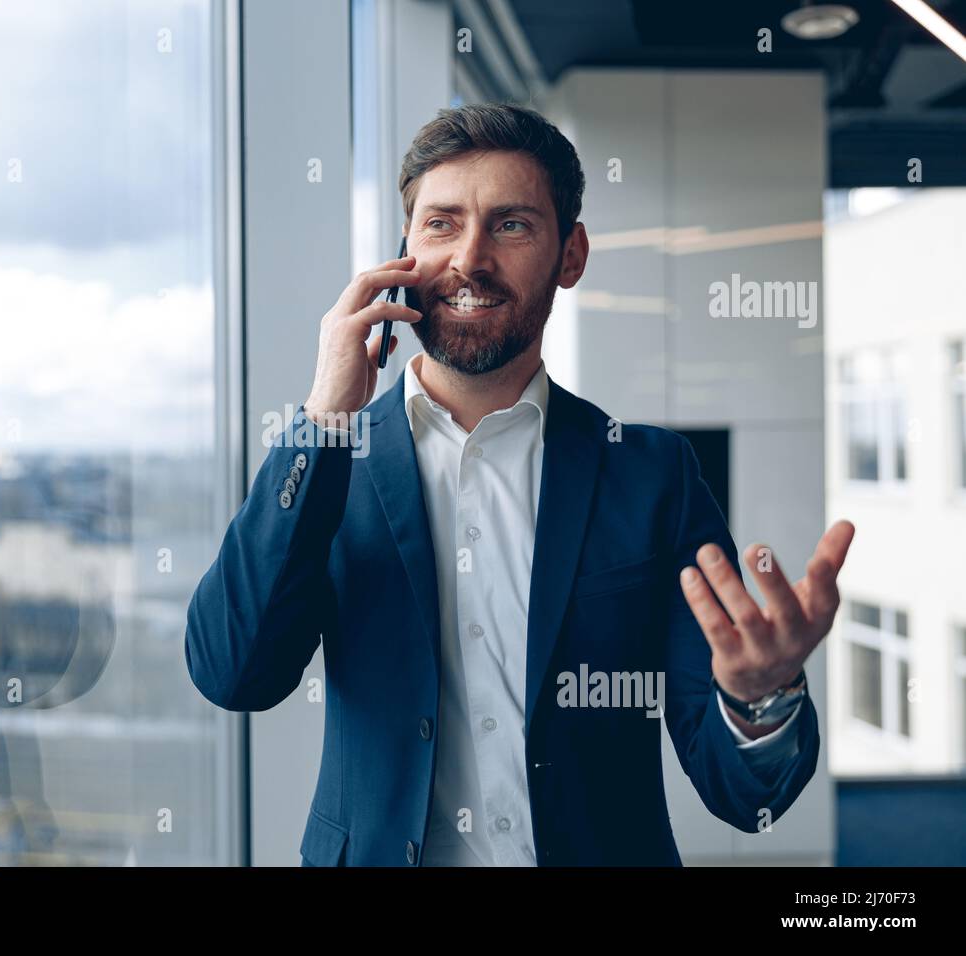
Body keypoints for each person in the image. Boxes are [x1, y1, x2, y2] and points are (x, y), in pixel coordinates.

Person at [185, 103, 854, 866]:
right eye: (441, 224)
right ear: (404, 250)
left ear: (571, 256)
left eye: (510, 225)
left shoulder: (651, 475)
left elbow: (747, 797)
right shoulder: (334, 459)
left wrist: (758, 699)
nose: (470, 259)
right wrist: (323, 417)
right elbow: (234, 672)